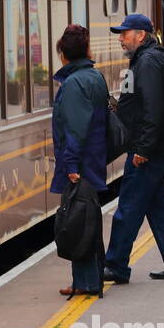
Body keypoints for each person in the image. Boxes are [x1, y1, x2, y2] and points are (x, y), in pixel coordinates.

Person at [104, 13, 164, 283]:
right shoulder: (146, 61)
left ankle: (116, 265)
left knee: (129, 206)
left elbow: (153, 109)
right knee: (158, 207)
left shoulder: (147, 63)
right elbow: (143, 105)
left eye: (124, 33)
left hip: (149, 151)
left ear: (140, 35)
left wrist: (143, 149)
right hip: (157, 147)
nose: (120, 39)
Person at [49, 25, 110, 297]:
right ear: (86, 50)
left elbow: (75, 128)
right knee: (88, 218)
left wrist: (71, 166)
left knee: (78, 219)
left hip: (80, 162)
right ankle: (90, 278)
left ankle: (85, 282)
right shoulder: (94, 76)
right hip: (94, 156)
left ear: (63, 54)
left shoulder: (74, 84)